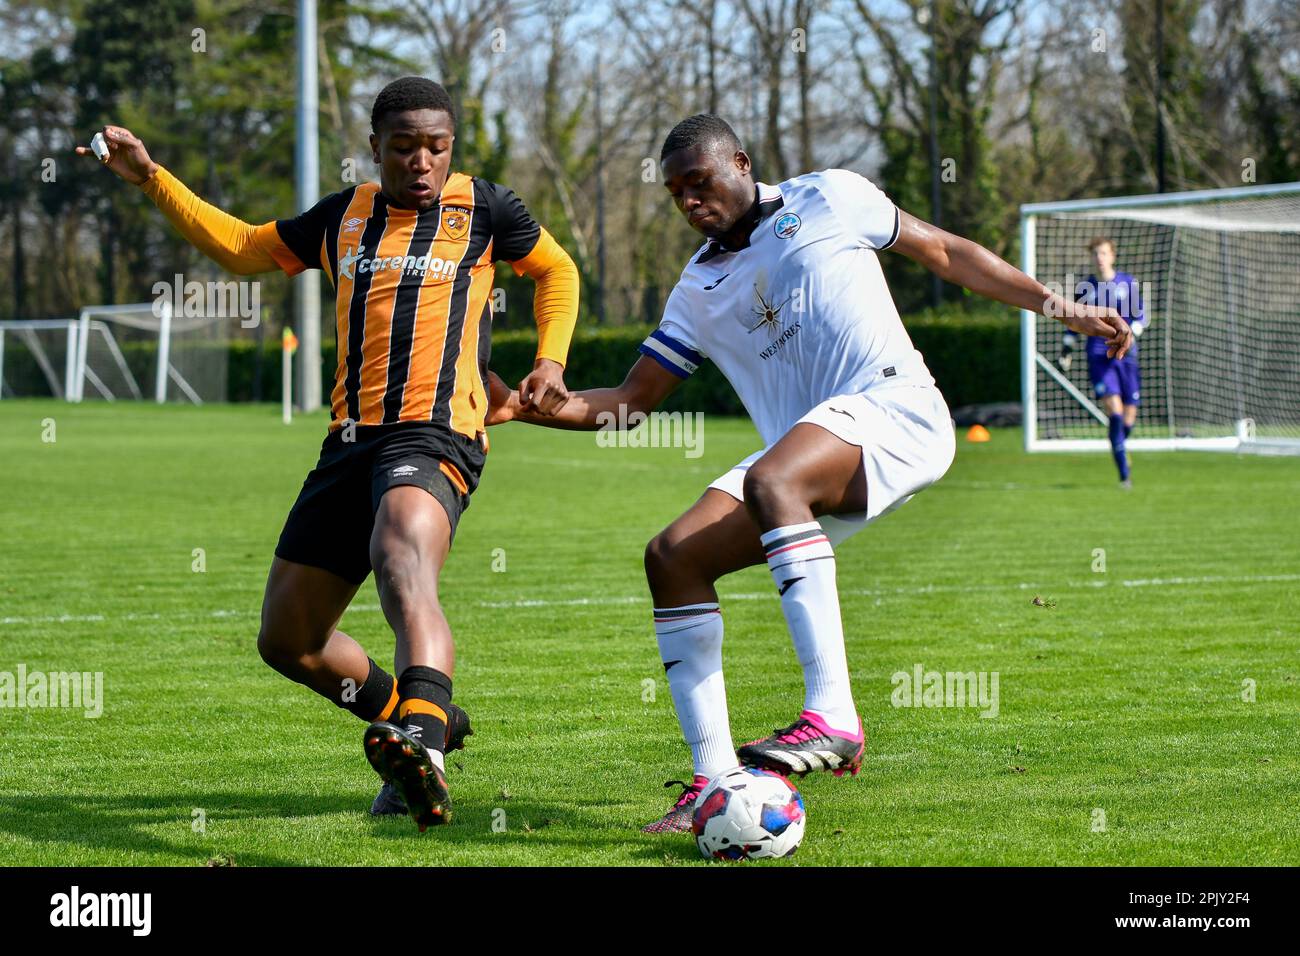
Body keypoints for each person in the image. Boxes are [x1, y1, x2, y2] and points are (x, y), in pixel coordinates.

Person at [486, 114, 1131, 832]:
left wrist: (1059, 307)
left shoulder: (830, 196)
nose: (690, 201)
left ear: (740, 161)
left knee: (773, 481)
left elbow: (947, 252)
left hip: (897, 409)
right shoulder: (696, 289)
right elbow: (632, 403)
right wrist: (517, 405)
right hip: (808, 457)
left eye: (699, 182)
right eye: (676, 194)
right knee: (672, 557)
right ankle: (713, 781)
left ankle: (834, 715)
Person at [81, 76, 579, 831]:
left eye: (437, 148)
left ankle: (424, 745)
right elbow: (246, 249)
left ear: (452, 149)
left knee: (400, 552)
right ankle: (423, 716)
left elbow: (558, 271)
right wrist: (153, 178)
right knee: (289, 639)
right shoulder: (342, 216)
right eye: (404, 147)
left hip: (435, 431)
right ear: (374, 148)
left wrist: (551, 359)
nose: (422, 161)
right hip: (347, 443)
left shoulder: (486, 209)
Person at [1057, 237, 1147, 487]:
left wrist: (1131, 333)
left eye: (1104, 253)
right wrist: (1067, 348)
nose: (1100, 257)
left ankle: (1119, 446)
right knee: (1115, 414)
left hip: (1127, 355)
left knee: (1129, 417)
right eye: (1096, 253)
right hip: (1099, 354)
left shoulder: (1128, 283)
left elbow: (1141, 315)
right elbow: (1074, 321)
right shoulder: (1086, 286)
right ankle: (1124, 477)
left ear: (1112, 256)